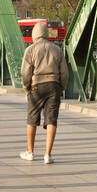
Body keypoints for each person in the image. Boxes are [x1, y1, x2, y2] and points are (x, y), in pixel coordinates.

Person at [20, 21, 68, 164]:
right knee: (51, 120)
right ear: (46, 34)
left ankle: (30, 152)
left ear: (34, 34)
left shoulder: (30, 50)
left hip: (36, 85)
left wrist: (26, 87)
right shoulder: (57, 49)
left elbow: (25, 72)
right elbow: (64, 72)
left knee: (32, 119)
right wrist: (62, 87)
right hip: (54, 85)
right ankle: (47, 155)